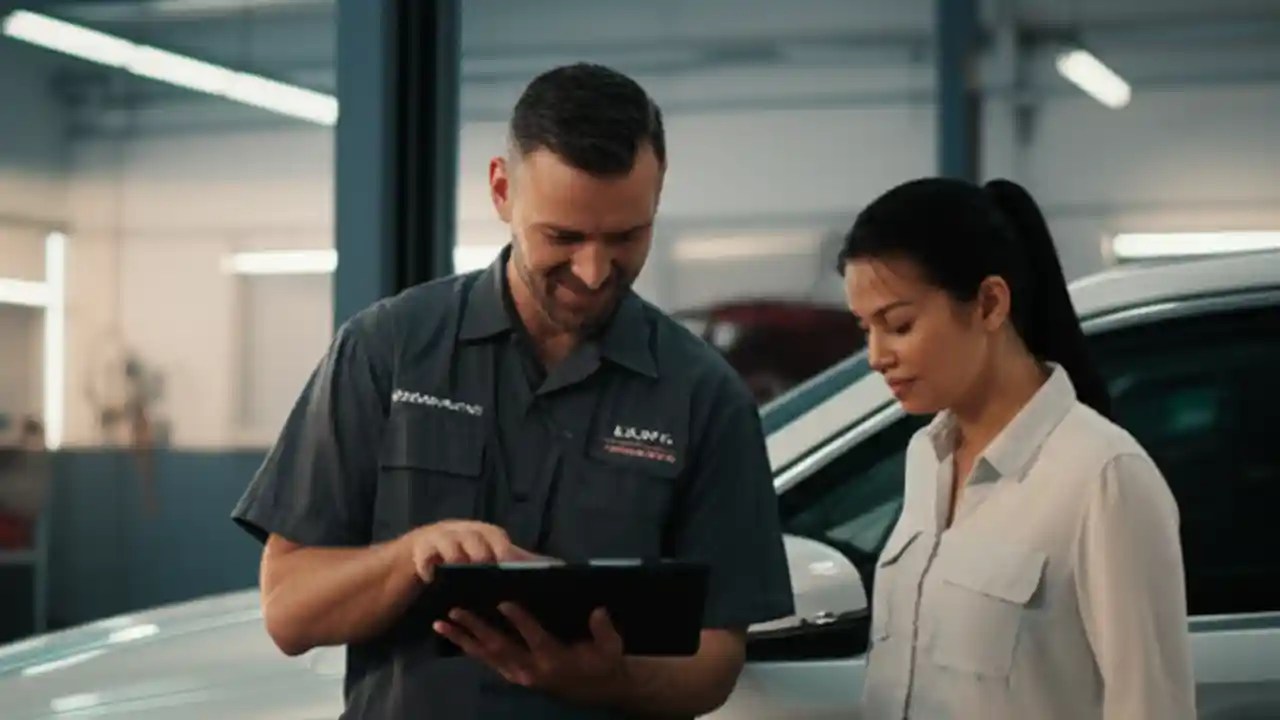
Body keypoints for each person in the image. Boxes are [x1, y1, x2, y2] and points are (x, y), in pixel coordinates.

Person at [231, 63, 794, 720]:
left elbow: (717, 658)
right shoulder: (387, 350)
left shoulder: (705, 396)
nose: (592, 270)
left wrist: (609, 679)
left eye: (625, 237)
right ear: (502, 190)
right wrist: (412, 556)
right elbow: (289, 611)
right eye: (563, 237)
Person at [840, 177, 1196, 719]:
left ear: (988, 303)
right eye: (865, 329)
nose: (876, 355)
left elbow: (1150, 707)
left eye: (899, 325)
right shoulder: (924, 459)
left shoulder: (1103, 477)